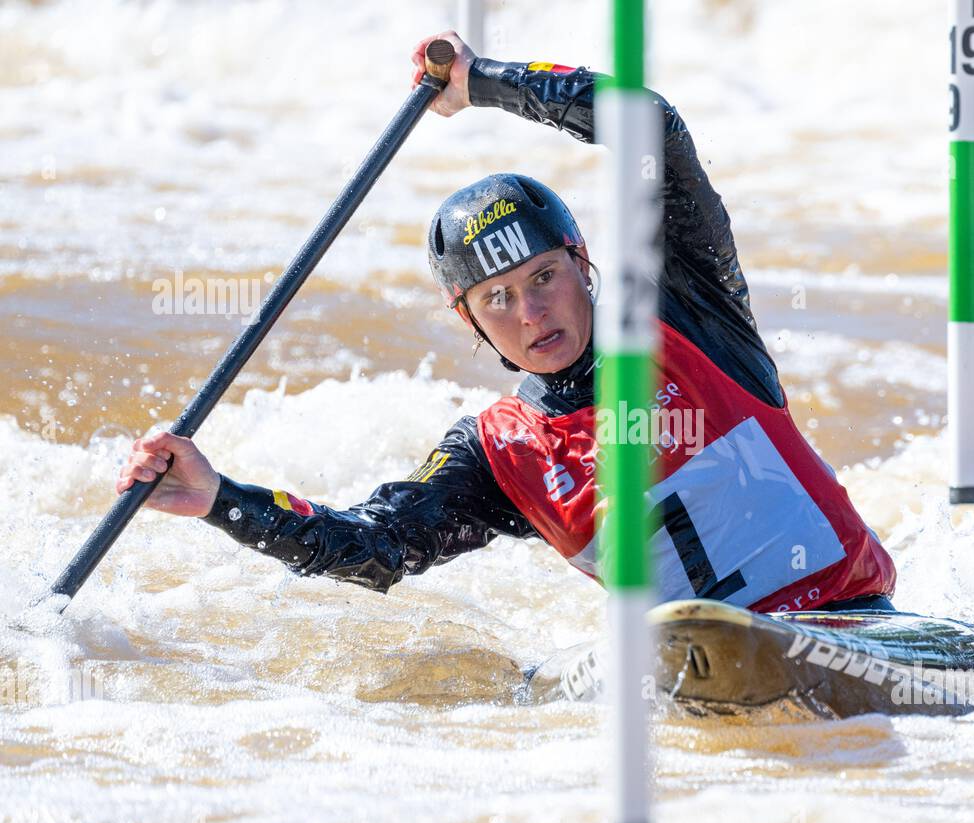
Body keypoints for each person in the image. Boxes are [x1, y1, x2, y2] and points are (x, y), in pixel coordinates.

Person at [116, 30, 897, 614]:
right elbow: (374, 545)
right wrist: (219, 497)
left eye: (545, 277)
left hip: (861, 622)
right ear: (468, 321)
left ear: (582, 260)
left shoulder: (690, 314)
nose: (531, 312)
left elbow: (650, 127)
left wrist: (480, 82)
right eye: (497, 299)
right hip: (711, 673)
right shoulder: (501, 454)